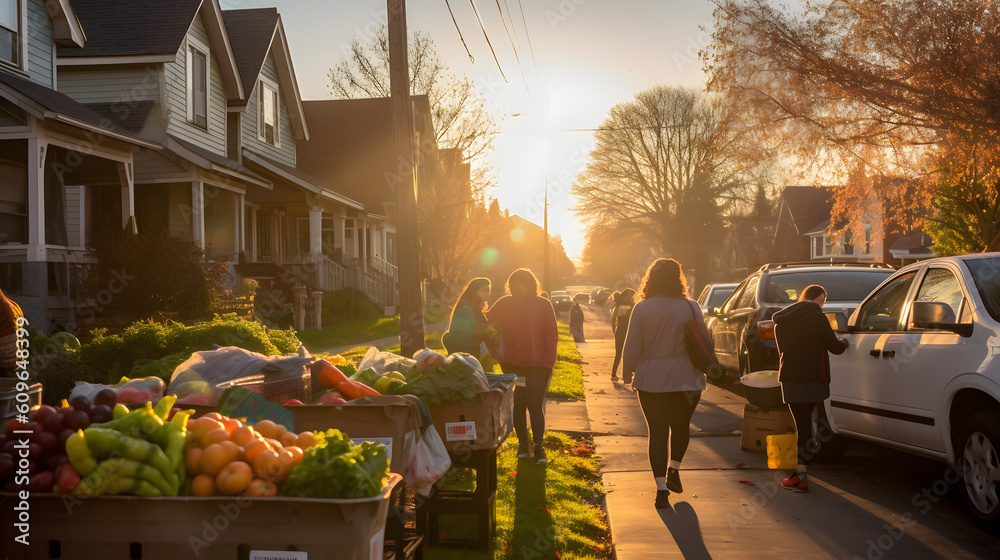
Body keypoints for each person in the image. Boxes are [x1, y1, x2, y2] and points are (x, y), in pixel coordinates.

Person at [622, 259, 706, 508]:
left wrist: (628, 374)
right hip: (687, 379)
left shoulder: (642, 308)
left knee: (657, 433)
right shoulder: (692, 307)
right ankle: (675, 469)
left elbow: (633, 345)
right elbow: (702, 340)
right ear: (678, 278)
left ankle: (660, 489)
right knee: (681, 426)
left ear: (652, 279)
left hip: (651, 378)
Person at [773, 284, 849, 493]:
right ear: (817, 298)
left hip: (789, 379)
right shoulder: (817, 317)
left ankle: (801, 475)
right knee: (814, 427)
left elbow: (782, 351)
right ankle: (802, 474)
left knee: (802, 427)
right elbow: (834, 347)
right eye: (823, 299)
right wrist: (843, 341)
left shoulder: (782, 320)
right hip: (814, 378)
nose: (823, 304)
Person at [487, 269, 558, 463]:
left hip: (538, 365)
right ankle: (522, 445)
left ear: (531, 285)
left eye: (521, 283)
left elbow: (552, 335)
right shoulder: (503, 303)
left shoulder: (543, 305)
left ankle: (539, 447)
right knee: (518, 402)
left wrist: (547, 363)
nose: (517, 287)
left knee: (534, 404)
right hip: (513, 364)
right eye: (513, 283)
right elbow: (485, 322)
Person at [442, 278, 492, 360]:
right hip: (464, 354)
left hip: (470, 352)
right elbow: (461, 334)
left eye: (489, 290)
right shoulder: (466, 309)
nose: (489, 293)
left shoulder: (473, 307)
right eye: (485, 290)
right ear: (475, 291)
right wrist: (483, 331)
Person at [610, 288, 635, 382]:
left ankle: (614, 374)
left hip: (618, 331)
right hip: (627, 331)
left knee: (618, 354)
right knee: (630, 353)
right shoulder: (630, 307)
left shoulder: (617, 307)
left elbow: (613, 323)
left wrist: (615, 331)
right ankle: (627, 376)